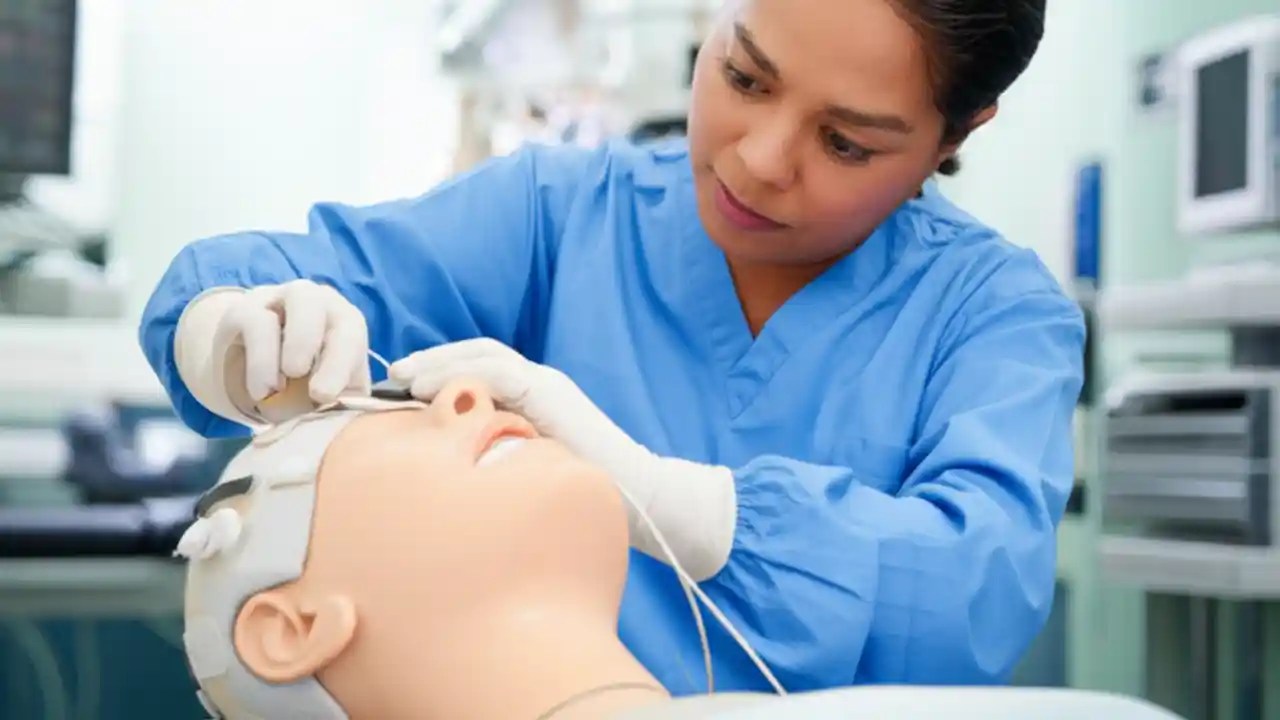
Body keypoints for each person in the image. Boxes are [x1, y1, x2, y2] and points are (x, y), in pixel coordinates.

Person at [141, 0, 1085, 695]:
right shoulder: (559, 216)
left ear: (954, 133)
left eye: (844, 143)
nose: (759, 157)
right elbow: (309, 271)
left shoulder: (994, 314)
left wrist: (676, 502)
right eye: (745, 78)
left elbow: (977, 590)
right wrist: (222, 325)